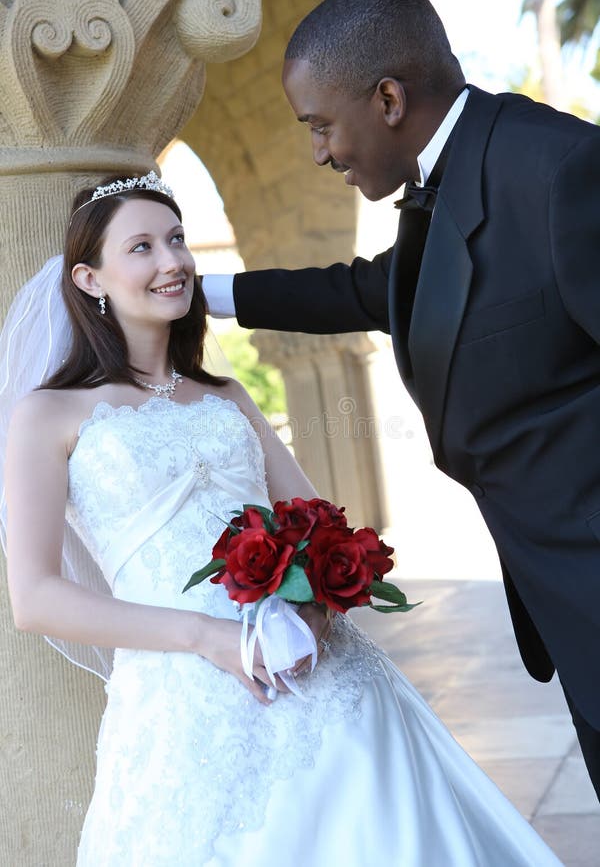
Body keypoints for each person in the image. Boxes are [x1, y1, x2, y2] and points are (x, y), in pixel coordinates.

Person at [0, 172, 562, 866]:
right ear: (90, 279)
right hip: (180, 700)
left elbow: (317, 522)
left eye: (176, 239)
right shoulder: (48, 415)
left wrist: (315, 613)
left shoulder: (224, 394)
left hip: (308, 663)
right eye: (141, 247)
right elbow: (35, 597)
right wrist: (206, 636)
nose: (171, 261)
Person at [202, 0, 600, 800]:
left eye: (320, 125)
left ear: (387, 98)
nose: (318, 151)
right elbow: (364, 291)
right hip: (568, 604)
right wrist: (195, 291)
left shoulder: (560, 168)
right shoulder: (447, 177)